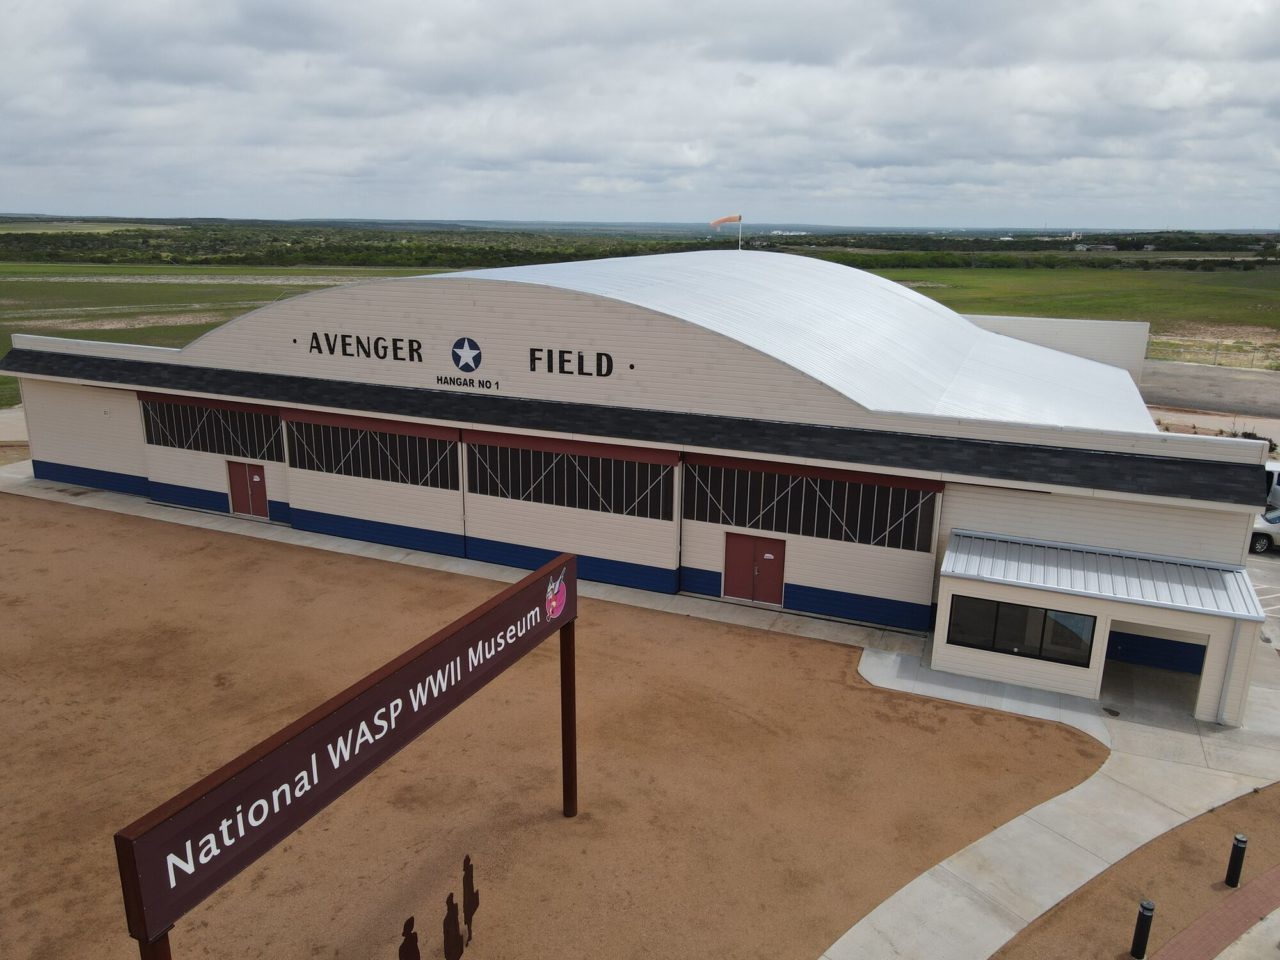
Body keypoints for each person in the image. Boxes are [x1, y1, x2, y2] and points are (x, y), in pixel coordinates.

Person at [462, 855, 480, 944]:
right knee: (469, 918)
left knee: (468, 918)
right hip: (470, 897)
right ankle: (470, 933)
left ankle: (470, 934)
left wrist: (464, 904)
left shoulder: (466, 877)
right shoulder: (469, 872)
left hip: (468, 900)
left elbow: (466, 891)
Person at [442, 893, 464, 960]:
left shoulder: (447, 920)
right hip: (455, 944)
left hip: (452, 947)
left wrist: (446, 953)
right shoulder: (454, 913)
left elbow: (446, 938)